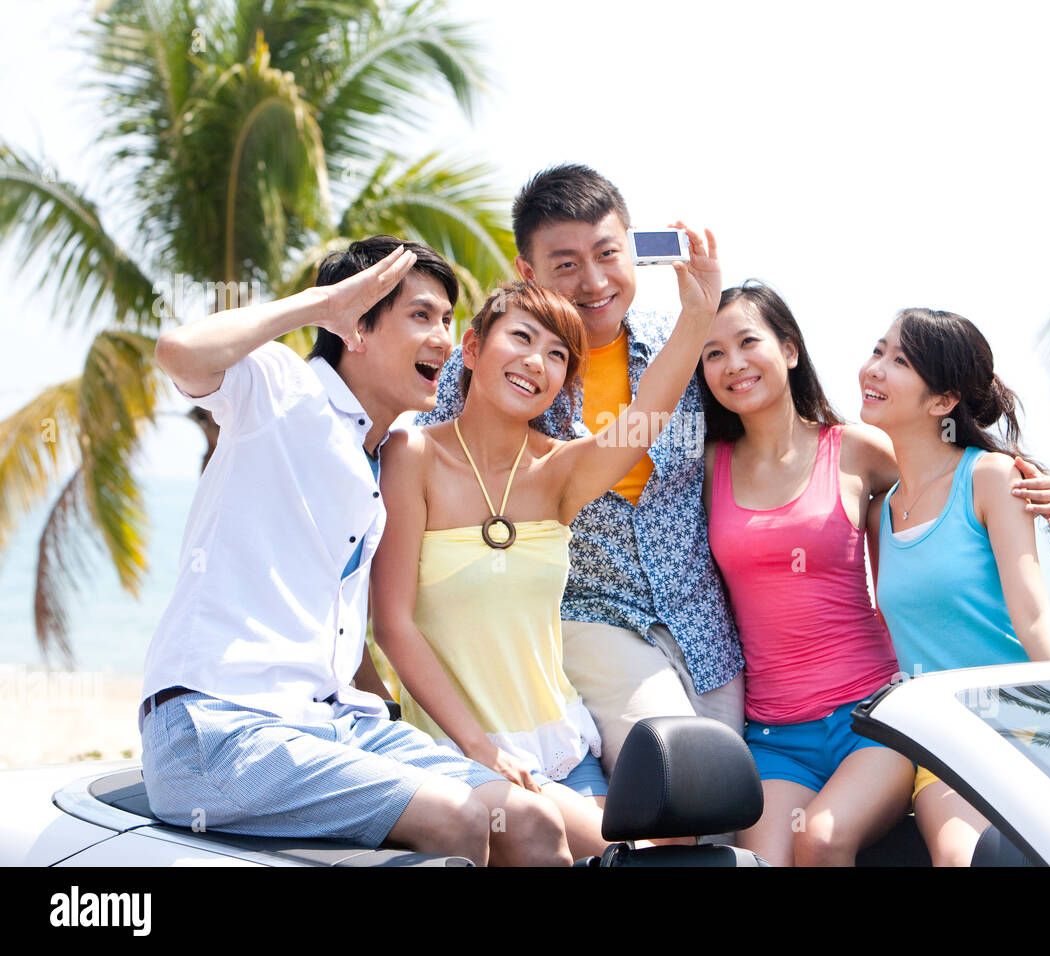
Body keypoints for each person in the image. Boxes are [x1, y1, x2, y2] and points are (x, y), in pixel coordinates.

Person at [140, 236, 572, 866]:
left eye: (448, 321)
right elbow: (179, 353)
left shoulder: (391, 448)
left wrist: (395, 711)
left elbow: (343, 624)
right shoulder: (283, 389)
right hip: (218, 728)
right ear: (355, 327)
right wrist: (319, 304)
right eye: (421, 315)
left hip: (334, 723)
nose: (443, 340)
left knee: (532, 823)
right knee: (458, 819)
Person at [372, 227, 722, 860]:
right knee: (592, 852)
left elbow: (648, 415)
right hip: (462, 753)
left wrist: (698, 313)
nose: (538, 361)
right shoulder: (411, 455)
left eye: (560, 354)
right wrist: (481, 749)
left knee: (666, 843)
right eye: (523, 338)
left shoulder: (559, 471)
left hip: (562, 747)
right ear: (473, 349)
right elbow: (392, 624)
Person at [696, 281, 1050, 866]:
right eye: (712, 352)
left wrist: (1036, 489)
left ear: (790, 349)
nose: (733, 363)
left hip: (875, 713)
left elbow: (945, 480)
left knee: (821, 837)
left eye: (748, 342)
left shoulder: (858, 450)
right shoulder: (705, 464)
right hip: (773, 733)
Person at [421, 165, 744, 775]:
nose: (593, 282)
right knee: (681, 777)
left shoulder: (686, 346)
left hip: (703, 629)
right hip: (587, 620)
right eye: (566, 264)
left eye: (607, 254)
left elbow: (771, 429)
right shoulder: (498, 371)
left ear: (633, 247)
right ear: (528, 273)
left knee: (719, 804)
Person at [861, 307, 1050, 867]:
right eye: (878, 351)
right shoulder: (880, 513)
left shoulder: (990, 478)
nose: (875, 368)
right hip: (943, 741)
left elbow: (1033, 615)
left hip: (1022, 724)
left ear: (943, 402)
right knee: (958, 858)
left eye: (899, 360)